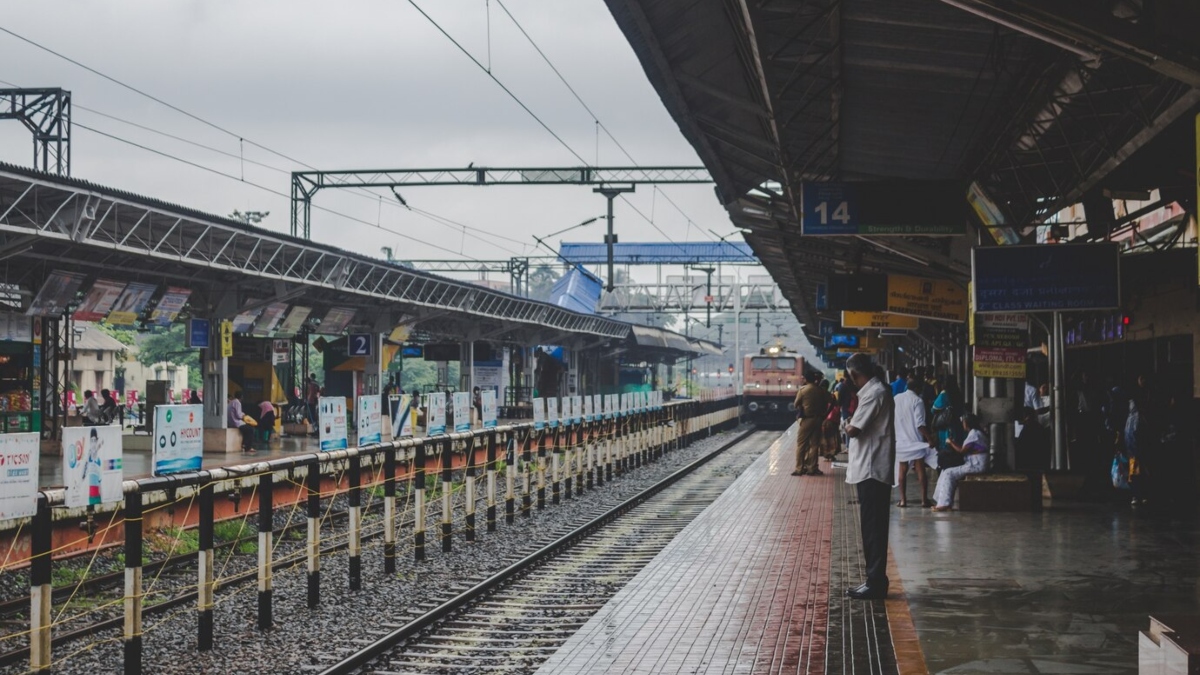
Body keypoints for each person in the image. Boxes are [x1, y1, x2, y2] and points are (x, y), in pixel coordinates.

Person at [842, 353, 895, 600]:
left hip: (872, 470)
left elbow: (854, 429)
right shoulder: (875, 391)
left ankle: (876, 583)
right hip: (871, 468)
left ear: (854, 375)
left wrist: (845, 424)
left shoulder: (874, 393)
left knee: (873, 528)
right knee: (873, 527)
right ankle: (874, 580)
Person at [893, 372, 938, 507]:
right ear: (918, 389)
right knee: (920, 470)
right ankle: (924, 500)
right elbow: (920, 424)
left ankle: (903, 500)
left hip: (901, 441)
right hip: (915, 442)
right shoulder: (918, 401)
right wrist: (929, 439)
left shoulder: (897, 398)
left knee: (902, 469)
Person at [932, 413, 990, 511]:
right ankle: (943, 502)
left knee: (948, 473)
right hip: (975, 463)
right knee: (947, 472)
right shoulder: (977, 432)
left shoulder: (974, 433)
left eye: (963, 422)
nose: (962, 424)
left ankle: (944, 504)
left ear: (967, 423)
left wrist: (951, 442)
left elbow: (962, 451)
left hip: (976, 465)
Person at [792, 370, 830, 476]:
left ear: (807, 379)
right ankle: (812, 468)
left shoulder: (803, 390)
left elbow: (796, 404)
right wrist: (825, 414)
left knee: (801, 444)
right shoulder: (821, 390)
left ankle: (799, 468)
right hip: (818, 419)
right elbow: (833, 401)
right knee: (815, 445)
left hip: (807, 420)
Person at [1014, 406, 1050, 473]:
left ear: (1026, 416)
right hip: (1039, 465)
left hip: (1030, 466)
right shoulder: (1039, 427)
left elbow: (1020, 448)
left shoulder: (1028, 428)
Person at [930, 380, 963, 451]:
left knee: (945, 444)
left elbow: (933, 409)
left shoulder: (944, 394)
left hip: (945, 424)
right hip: (957, 424)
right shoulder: (958, 394)